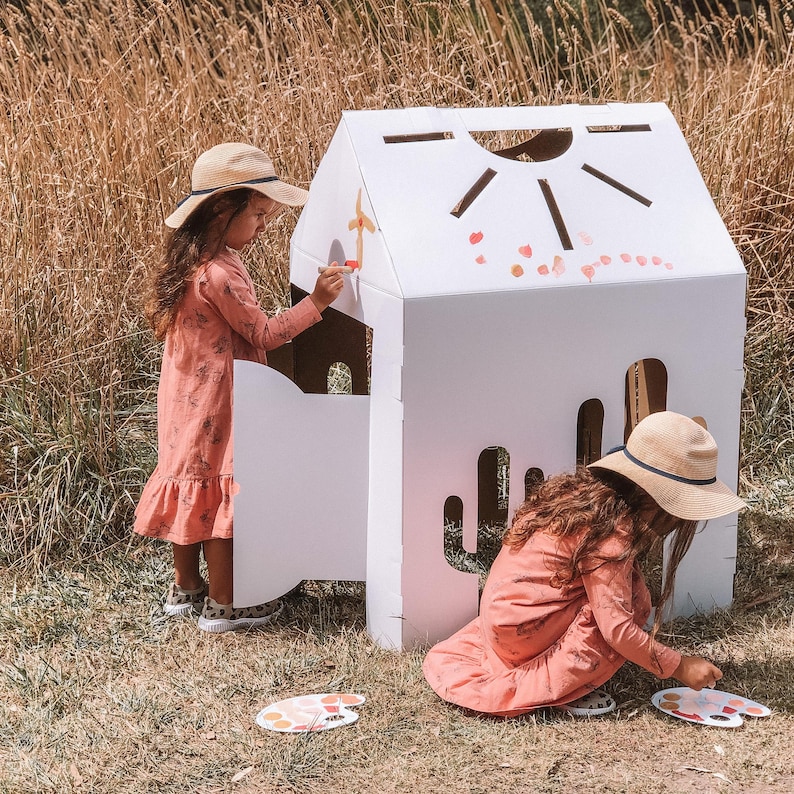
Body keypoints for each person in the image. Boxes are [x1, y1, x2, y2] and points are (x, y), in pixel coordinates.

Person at [133, 142, 345, 633]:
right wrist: (317, 301)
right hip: (220, 400)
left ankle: (186, 588)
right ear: (223, 210)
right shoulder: (220, 273)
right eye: (259, 215)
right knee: (221, 492)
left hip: (182, 398)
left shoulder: (191, 262)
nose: (264, 225)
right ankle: (226, 603)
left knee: (190, 482)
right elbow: (263, 333)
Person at [423, 411, 746, 717]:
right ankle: (564, 687)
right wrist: (680, 666)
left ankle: (546, 663)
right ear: (662, 501)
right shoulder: (610, 536)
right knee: (624, 606)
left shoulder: (585, 500)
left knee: (624, 595)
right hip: (522, 636)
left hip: (502, 623)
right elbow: (617, 630)